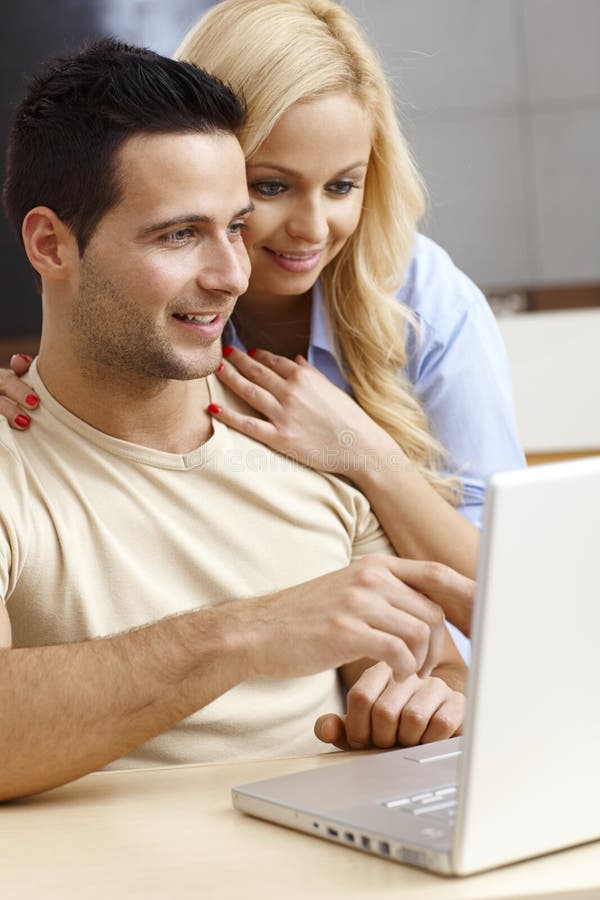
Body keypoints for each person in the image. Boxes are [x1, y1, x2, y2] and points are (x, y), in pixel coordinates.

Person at [0, 38, 474, 802]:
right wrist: (247, 634)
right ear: (52, 245)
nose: (230, 275)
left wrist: (427, 706)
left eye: (236, 226)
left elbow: (435, 669)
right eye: (180, 234)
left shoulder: (313, 441)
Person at [1, 1, 524, 613]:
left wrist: (364, 452)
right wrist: (49, 402)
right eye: (269, 187)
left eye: (342, 186)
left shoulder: (419, 294)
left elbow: (513, 593)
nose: (310, 229)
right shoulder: (159, 328)